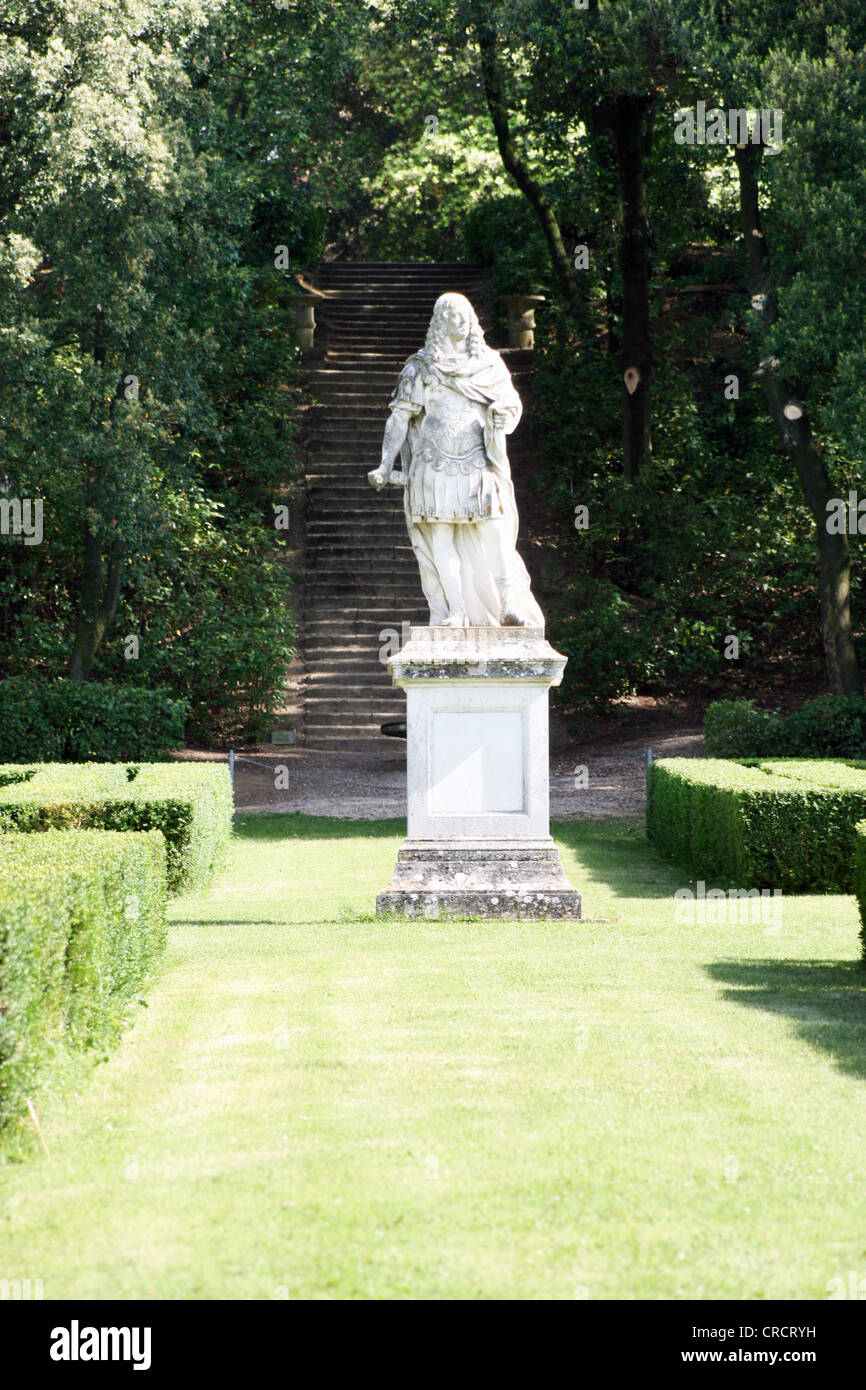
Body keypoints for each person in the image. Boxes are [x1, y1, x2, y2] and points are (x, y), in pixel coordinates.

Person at [368, 292, 543, 628]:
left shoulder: (489, 364)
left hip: (477, 461)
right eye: (451, 316)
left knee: (495, 531)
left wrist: (505, 417)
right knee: (441, 537)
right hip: (432, 465)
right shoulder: (419, 368)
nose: (460, 322)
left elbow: (512, 403)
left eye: (465, 315)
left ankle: (509, 605)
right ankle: (456, 611)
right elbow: (399, 419)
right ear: (438, 323)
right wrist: (385, 464)